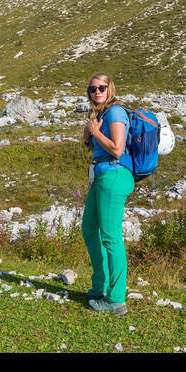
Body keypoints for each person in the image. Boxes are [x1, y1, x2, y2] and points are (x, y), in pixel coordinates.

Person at [80, 72, 134, 315]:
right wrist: (90, 131)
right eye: (93, 89)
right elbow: (92, 145)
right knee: (89, 229)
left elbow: (117, 149)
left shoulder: (115, 112)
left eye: (101, 87)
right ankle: (99, 287)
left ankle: (116, 299)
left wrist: (95, 131)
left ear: (109, 88)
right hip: (100, 176)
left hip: (114, 175)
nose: (97, 92)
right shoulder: (99, 114)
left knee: (111, 237)